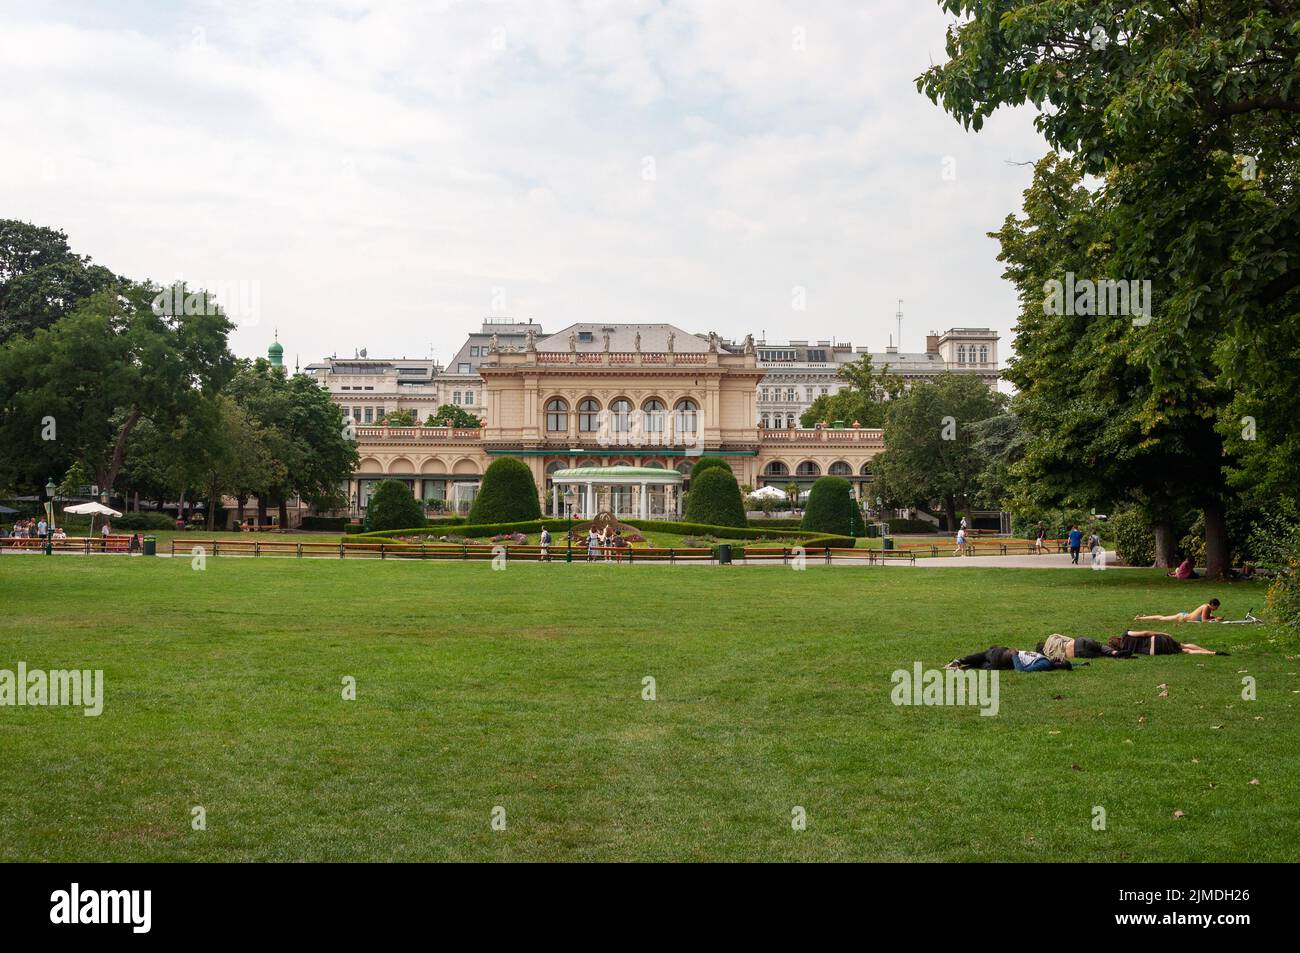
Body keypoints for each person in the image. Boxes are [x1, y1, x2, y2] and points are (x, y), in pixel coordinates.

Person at [945, 646, 1072, 671]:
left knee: (984, 657)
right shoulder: (1046, 660)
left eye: (1060, 661)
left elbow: (1021, 670)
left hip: (1002, 657)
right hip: (1001, 655)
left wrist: (1015, 655)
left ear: (1058, 665)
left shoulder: (1045, 664)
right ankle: (961, 663)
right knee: (983, 660)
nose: (1058, 658)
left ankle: (960, 662)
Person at [1109, 630, 1225, 656]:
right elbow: (1144, 633)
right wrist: (1162, 633)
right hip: (1156, 641)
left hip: (1153, 652)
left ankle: (1211, 654)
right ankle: (1211, 651)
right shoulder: (1126, 634)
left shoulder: (1124, 650)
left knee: (1185, 650)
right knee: (1182, 645)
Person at [1037, 633, 1132, 662]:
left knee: (1100, 653)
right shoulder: (1051, 637)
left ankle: (1116, 655)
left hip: (1079, 653)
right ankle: (1114, 652)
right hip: (1078, 642)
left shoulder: (1048, 655)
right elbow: (1070, 638)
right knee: (1100, 646)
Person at [1135, 599, 1221, 623]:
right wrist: (1215, 619)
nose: (1216, 609)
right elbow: (1204, 620)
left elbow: (1205, 617)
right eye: (1216, 607)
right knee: (1161, 618)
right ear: (1212, 605)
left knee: (1162, 618)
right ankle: (1140, 618)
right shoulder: (1206, 607)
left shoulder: (1208, 608)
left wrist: (1213, 617)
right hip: (1182, 617)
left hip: (1185, 616)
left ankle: (1141, 618)